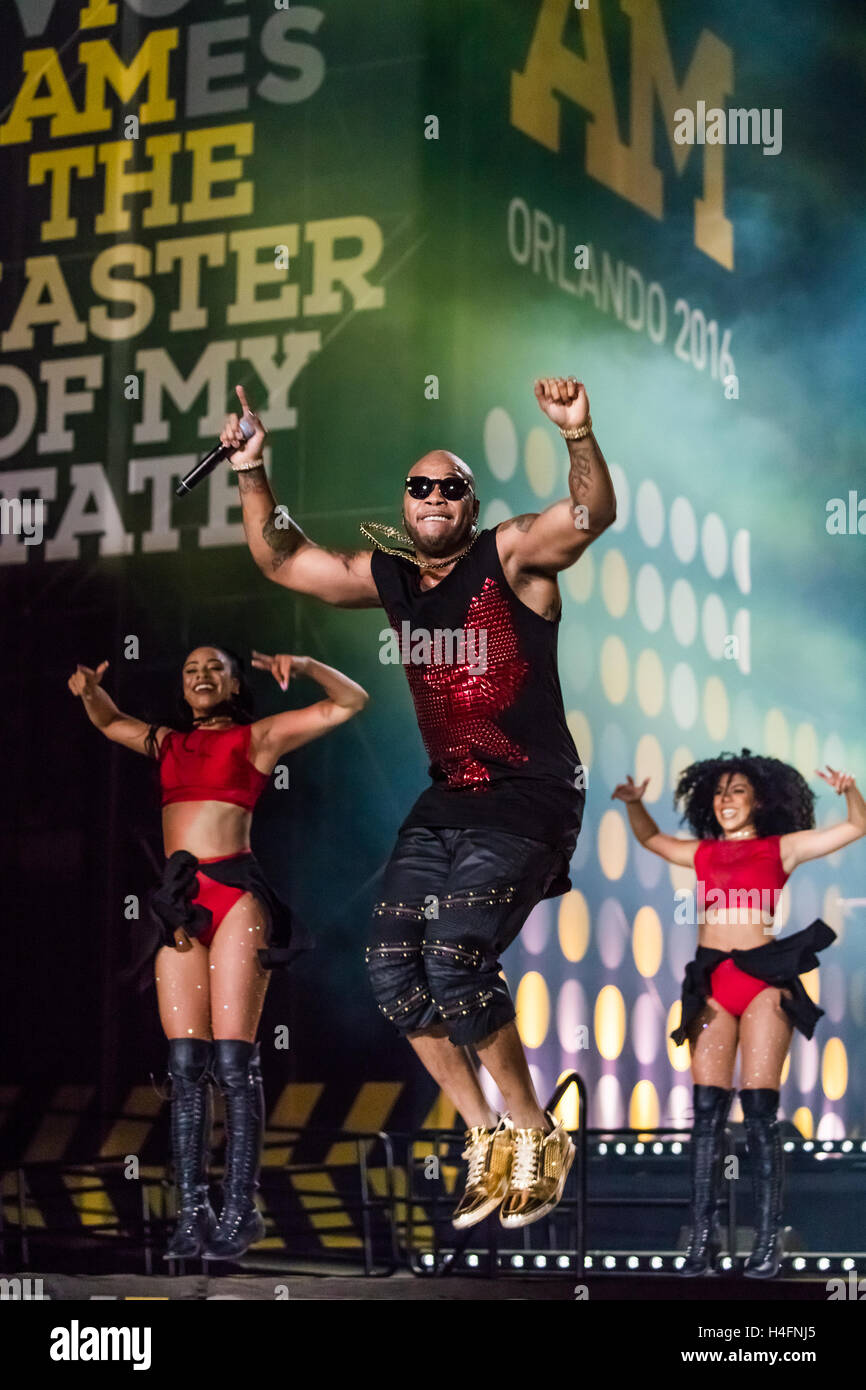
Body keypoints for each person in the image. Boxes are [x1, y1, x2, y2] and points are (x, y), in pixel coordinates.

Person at [222, 376, 616, 1229]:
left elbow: (588, 518)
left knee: (457, 955)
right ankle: (485, 1140)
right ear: (403, 503)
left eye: (452, 486)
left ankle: (535, 1133)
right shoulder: (393, 578)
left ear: (472, 505)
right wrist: (254, 470)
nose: (434, 496)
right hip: (450, 799)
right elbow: (285, 559)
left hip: (531, 794)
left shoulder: (510, 554)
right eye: (420, 485)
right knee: (392, 969)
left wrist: (578, 436)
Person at [69, 645, 368, 1259]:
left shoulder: (257, 738)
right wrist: (90, 692)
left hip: (234, 894)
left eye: (214, 668)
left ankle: (240, 1209)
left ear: (234, 683)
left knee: (233, 1064)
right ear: (183, 689)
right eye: (190, 670)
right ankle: (191, 1211)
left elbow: (350, 703)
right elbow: (106, 720)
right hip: (178, 902)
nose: (201, 675)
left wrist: (307, 665)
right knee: (184, 1068)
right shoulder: (165, 743)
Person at [613, 751, 866, 1277]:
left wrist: (848, 790)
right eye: (720, 791)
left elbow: (859, 826)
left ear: (759, 801)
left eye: (738, 791)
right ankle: (700, 1243)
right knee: (706, 1112)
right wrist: (636, 805)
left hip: (763, 980)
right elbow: (650, 840)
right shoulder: (702, 853)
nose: (726, 800)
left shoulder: (782, 848)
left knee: (757, 1111)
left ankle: (768, 1242)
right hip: (712, 981)